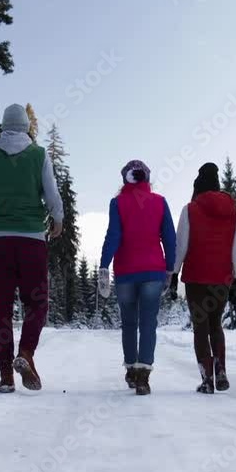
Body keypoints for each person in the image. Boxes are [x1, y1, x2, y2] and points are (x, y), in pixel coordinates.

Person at [0, 104, 64, 393]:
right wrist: (57, 219)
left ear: (3, 126)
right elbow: (52, 195)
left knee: (0, 308)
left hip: (0, 242)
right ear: (26, 127)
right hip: (32, 241)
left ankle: (5, 376)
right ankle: (25, 352)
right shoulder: (39, 154)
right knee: (37, 302)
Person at [99, 160, 176, 396]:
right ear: (147, 178)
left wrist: (104, 265)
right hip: (153, 271)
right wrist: (170, 268)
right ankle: (143, 376)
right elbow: (169, 237)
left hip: (125, 272)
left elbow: (113, 235)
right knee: (148, 322)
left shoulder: (117, 203)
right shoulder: (159, 202)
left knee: (129, 322)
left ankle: (131, 369)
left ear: (125, 179)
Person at [172, 163, 236, 394]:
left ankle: (207, 380)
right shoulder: (232, 211)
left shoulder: (190, 209)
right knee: (216, 324)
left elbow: (181, 245)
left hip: (196, 276)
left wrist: (173, 273)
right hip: (222, 277)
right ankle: (221, 370)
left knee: (200, 327)